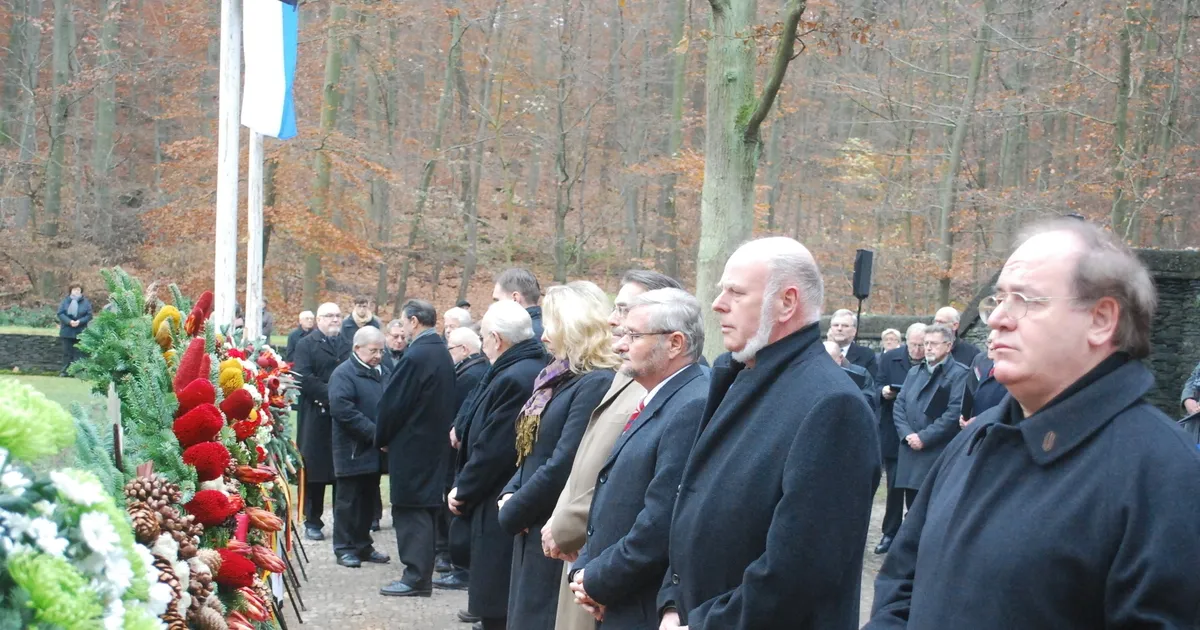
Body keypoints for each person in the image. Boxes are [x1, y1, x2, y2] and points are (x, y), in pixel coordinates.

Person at [867, 218, 1200, 629]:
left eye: (1025, 300)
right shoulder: (975, 438)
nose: (997, 320)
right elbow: (902, 580)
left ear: (1101, 320)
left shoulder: (1165, 475)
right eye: (998, 300)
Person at [659, 237, 880, 629]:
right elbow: (693, 504)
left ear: (787, 303)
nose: (718, 303)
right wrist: (672, 603)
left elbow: (798, 573)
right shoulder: (739, 376)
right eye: (721, 290)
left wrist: (704, 624)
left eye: (736, 292)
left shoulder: (832, 406)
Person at [547, 269, 683, 630]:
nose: (612, 321)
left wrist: (595, 572)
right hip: (589, 562)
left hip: (616, 580)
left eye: (625, 312)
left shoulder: (677, 395)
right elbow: (587, 465)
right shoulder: (629, 376)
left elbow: (655, 511)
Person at [568, 288, 709, 629]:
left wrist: (597, 580)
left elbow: (660, 522)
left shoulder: (693, 404)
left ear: (675, 343)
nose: (619, 345)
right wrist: (585, 572)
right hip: (620, 596)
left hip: (643, 605)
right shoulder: (661, 396)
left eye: (633, 335)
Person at [497, 282, 618, 630]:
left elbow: (564, 462)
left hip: (553, 531)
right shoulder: (555, 377)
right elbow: (529, 448)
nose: (543, 336)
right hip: (529, 519)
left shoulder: (594, 382)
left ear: (575, 327)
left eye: (552, 325)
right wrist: (509, 492)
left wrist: (514, 509)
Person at [449, 302, 546, 630]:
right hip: (500, 493)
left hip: (498, 497)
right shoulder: (516, 369)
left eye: (483, 336)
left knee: (498, 599)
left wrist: (464, 489)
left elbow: (494, 448)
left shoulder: (515, 377)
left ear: (496, 339)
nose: (482, 342)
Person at [375, 300, 457, 597]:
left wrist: (381, 436)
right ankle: (419, 573)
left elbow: (394, 404)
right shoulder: (440, 352)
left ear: (413, 321)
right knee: (424, 507)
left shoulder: (418, 355)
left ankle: (416, 576)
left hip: (413, 446)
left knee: (412, 509)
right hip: (432, 444)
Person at [327, 326, 391, 568]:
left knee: (368, 500)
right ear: (357, 348)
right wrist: (376, 434)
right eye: (373, 351)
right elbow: (343, 411)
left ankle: (363, 544)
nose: (378, 356)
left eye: (381, 351)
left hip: (374, 451)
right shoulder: (343, 374)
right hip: (352, 449)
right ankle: (344, 547)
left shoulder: (382, 371)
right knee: (347, 502)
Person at [433, 326, 489, 591]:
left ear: (465, 349)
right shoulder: (473, 370)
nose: (448, 354)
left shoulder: (470, 374)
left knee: (454, 507)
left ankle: (460, 567)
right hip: (457, 450)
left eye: (451, 348)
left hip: (459, 453)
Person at [892, 323, 967, 511]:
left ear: (948, 346)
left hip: (936, 451)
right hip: (910, 449)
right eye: (926, 343)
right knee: (911, 508)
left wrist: (924, 438)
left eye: (934, 343)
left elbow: (954, 412)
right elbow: (899, 405)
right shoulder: (914, 372)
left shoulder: (959, 374)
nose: (928, 348)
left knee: (930, 509)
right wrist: (907, 434)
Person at [292, 302, 350, 540]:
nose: (335, 320)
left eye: (338, 316)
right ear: (318, 319)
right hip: (315, 416)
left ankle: (343, 521)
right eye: (329, 316)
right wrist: (333, 395)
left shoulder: (348, 344)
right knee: (314, 470)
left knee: (341, 471)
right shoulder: (305, 345)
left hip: (342, 418)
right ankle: (312, 520)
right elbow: (303, 378)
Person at [872, 322, 926, 555]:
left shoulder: (931, 362)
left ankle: (912, 535)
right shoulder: (890, 358)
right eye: (913, 344)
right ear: (906, 341)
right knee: (893, 486)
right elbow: (873, 386)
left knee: (917, 488)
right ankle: (889, 532)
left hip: (921, 433)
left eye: (922, 345)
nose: (917, 350)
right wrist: (883, 392)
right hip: (893, 431)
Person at [824, 340, 877, 411]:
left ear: (840, 358)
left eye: (830, 360)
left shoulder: (861, 373)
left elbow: (870, 399)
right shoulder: (814, 370)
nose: (826, 364)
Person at [493, 268, 544, 339]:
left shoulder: (519, 337)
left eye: (497, 300)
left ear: (515, 299)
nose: (493, 307)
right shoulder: (551, 328)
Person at [828, 308, 879, 377]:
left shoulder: (866, 355)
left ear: (854, 331)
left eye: (845, 326)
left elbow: (870, 384)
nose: (839, 329)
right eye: (836, 325)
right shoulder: (818, 351)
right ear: (830, 329)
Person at [57, 283, 93, 376]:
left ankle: (79, 372)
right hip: (67, 331)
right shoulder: (65, 301)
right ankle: (65, 372)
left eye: (78, 289)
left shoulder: (86, 302)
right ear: (70, 290)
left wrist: (79, 321)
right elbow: (60, 313)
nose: (76, 291)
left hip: (80, 331)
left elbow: (89, 315)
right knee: (67, 353)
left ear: (81, 291)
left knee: (80, 353)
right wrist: (69, 321)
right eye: (74, 289)